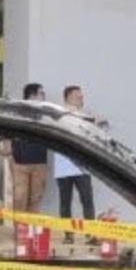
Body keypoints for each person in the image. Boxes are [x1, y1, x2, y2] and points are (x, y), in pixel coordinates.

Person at [54, 84, 99, 243]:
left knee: (87, 200)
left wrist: (95, 123)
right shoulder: (59, 115)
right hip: (63, 166)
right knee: (65, 202)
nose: (81, 98)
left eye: (81, 96)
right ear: (68, 98)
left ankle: (91, 234)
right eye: (77, 96)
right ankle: (68, 235)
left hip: (82, 166)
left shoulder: (85, 116)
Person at [6, 83, 51, 225]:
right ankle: (20, 230)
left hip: (40, 162)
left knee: (36, 199)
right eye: (41, 93)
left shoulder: (44, 114)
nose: (44, 97)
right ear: (32, 95)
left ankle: (32, 231)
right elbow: (7, 134)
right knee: (20, 198)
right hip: (20, 163)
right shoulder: (17, 112)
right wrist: (9, 153)